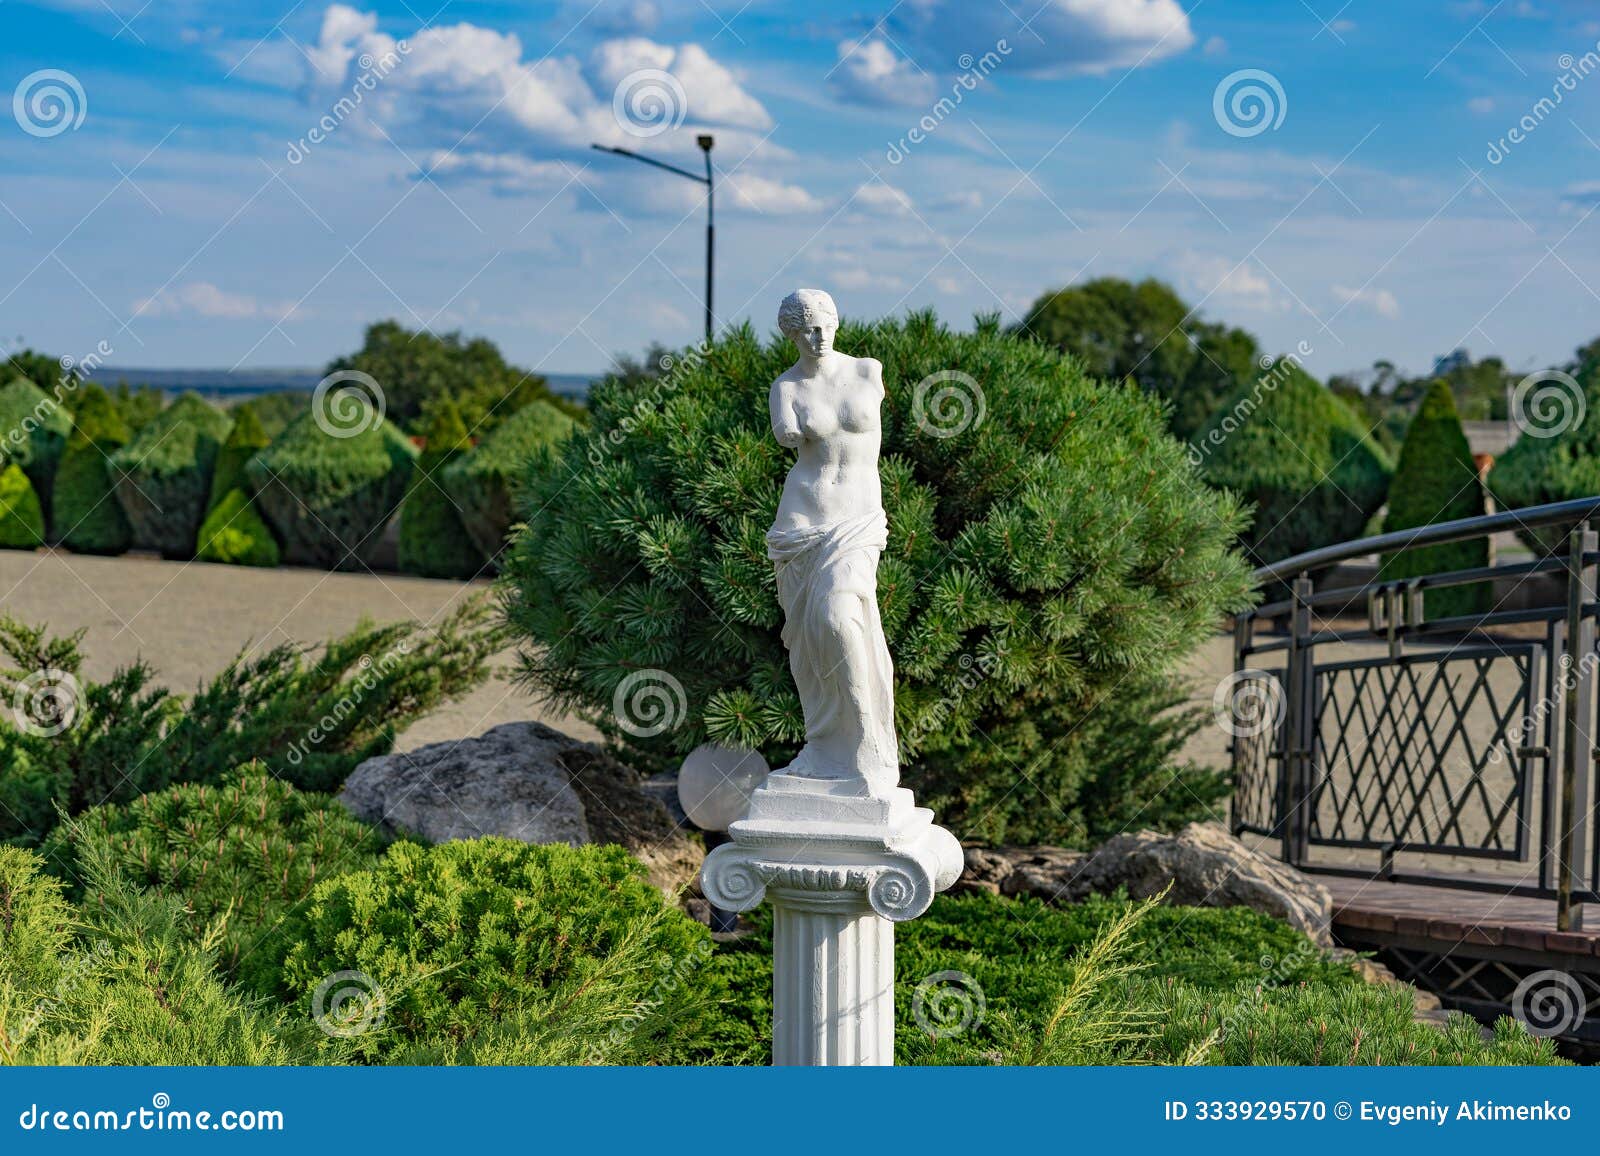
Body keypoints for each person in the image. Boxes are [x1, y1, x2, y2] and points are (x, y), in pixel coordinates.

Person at [766, 289, 898, 797]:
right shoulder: (786, 388)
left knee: (838, 616)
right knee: (808, 640)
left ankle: (867, 737)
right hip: (803, 521)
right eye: (807, 330)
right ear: (791, 334)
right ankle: (825, 743)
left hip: (857, 520)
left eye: (826, 326)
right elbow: (787, 436)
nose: (819, 337)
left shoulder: (868, 370)